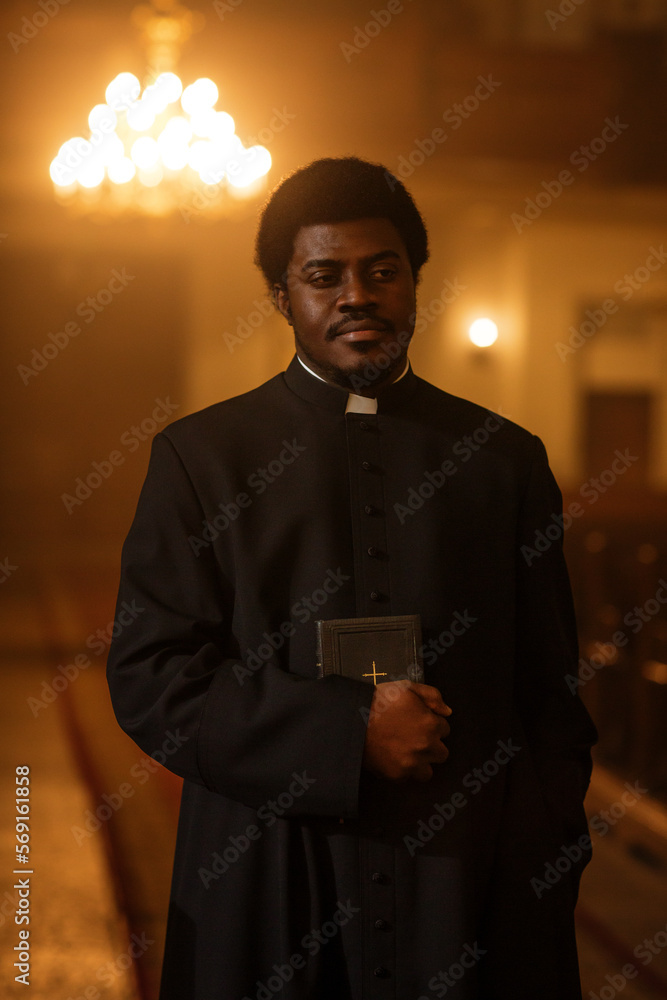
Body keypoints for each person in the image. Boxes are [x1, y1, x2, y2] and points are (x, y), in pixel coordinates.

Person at [107, 156, 597, 1000]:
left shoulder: (503, 461)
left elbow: (549, 693)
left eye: (381, 272)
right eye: (322, 276)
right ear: (282, 297)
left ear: (414, 281)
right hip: (267, 866)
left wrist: (541, 845)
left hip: (465, 873)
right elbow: (152, 677)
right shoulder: (201, 459)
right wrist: (342, 734)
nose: (355, 297)